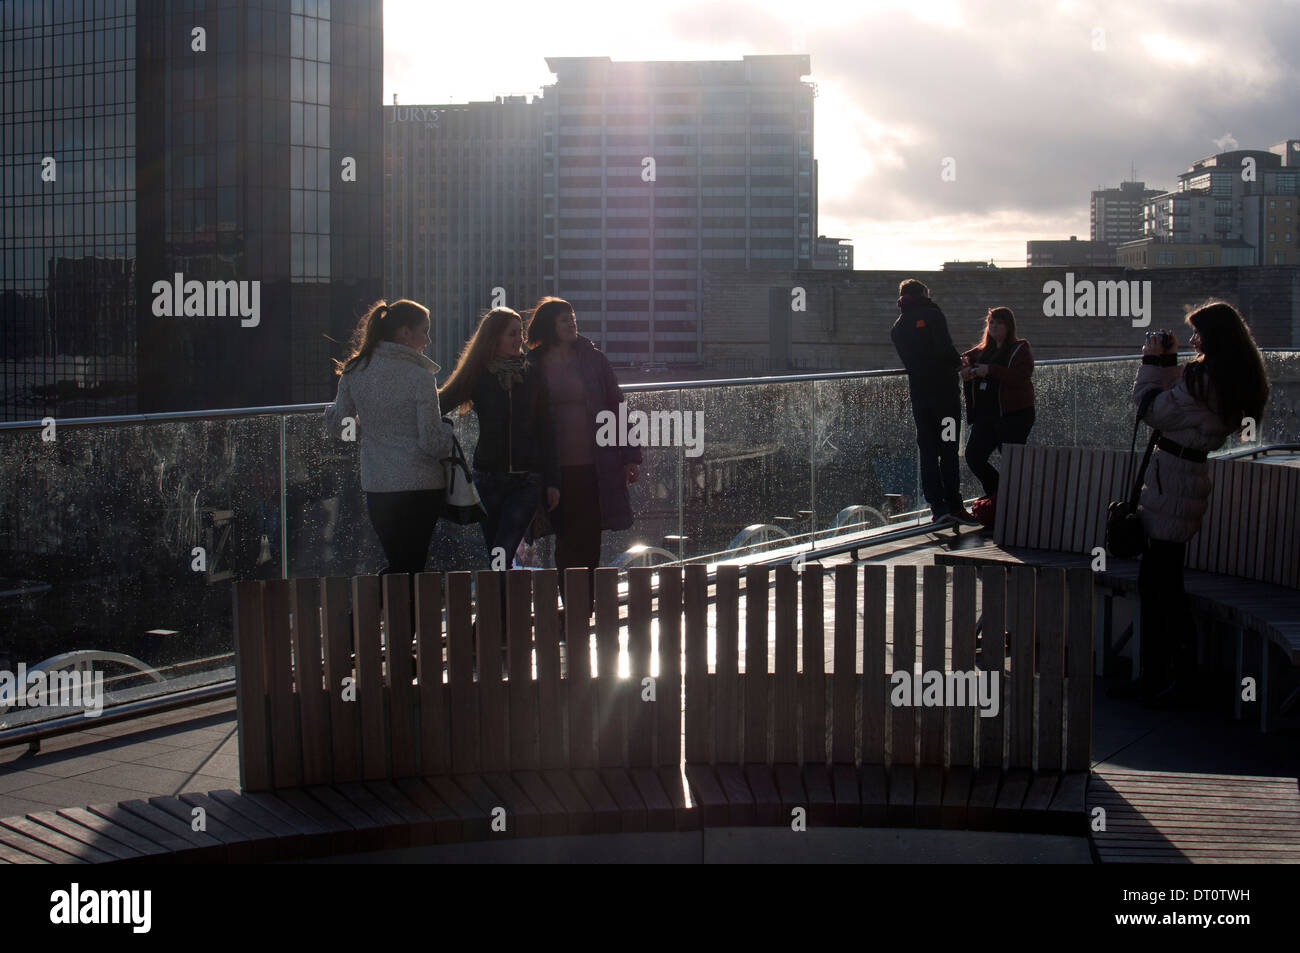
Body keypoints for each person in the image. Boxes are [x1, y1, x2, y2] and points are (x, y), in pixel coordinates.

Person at [1120, 300, 1270, 707]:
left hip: (1173, 488)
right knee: (1166, 583)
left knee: (1159, 589)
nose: (1191, 340)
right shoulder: (1226, 377)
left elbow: (1151, 408)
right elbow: (1177, 407)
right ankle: (1177, 676)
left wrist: (1153, 360)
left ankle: (1162, 677)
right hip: (1187, 482)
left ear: (1213, 337)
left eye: (1198, 334)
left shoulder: (1203, 380)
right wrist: (1171, 365)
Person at [524, 297, 640, 616]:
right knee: (565, 538)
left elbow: (617, 406)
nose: (572, 322)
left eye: (573, 317)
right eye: (564, 319)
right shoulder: (533, 364)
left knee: (589, 538)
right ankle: (572, 606)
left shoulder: (593, 359)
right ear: (550, 325)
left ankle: (582, 608)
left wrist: (631, 455)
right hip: (555, 470)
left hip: (596, 465)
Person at [324, 298, 455, 577]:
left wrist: (330, 413)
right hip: (421, 485)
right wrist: (448, 430)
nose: (428, 340)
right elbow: (431, 442)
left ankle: (370, 613)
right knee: (412, 564)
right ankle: (380, 613)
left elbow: (340, 427)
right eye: (424, 331)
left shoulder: (354, 371)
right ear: (405, 333)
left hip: (379, 484)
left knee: (399, 562)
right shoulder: (420, 376)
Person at [438, 307, 560, 568]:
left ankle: (501, 606)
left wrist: (552, 481)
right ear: (494, 338)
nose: (519, 339)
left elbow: (547, 429)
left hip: (526, 480)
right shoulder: (478, 375)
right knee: (495, 553)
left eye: (521, 333)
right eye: (512, 334)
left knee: (502, 550)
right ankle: (500, 607)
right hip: (488, 479)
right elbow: (438, 404)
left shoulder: (532, 375)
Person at [890, 279, 979, 526]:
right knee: (949, 450)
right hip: (945, 398)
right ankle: (955, 506)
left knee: (928, 452)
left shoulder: (897, 327)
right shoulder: (933, 315)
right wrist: (961, 364)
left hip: (921, 399)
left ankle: (937, 508)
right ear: (924, 294)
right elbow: (944, 348)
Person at [960, 306, 1036, 500]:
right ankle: (999, 494)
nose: (994, 326)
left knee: (1012, 461)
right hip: (986, 415)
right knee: (974, 456)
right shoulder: (982, 351)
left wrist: (991, 370)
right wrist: (967, 368)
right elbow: (965, 358)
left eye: (999, 322)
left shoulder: (1020, 348)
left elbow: (1021, 378)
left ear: (1009, 326)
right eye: (991, 322)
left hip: (1014, 415)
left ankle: (1016, 500)